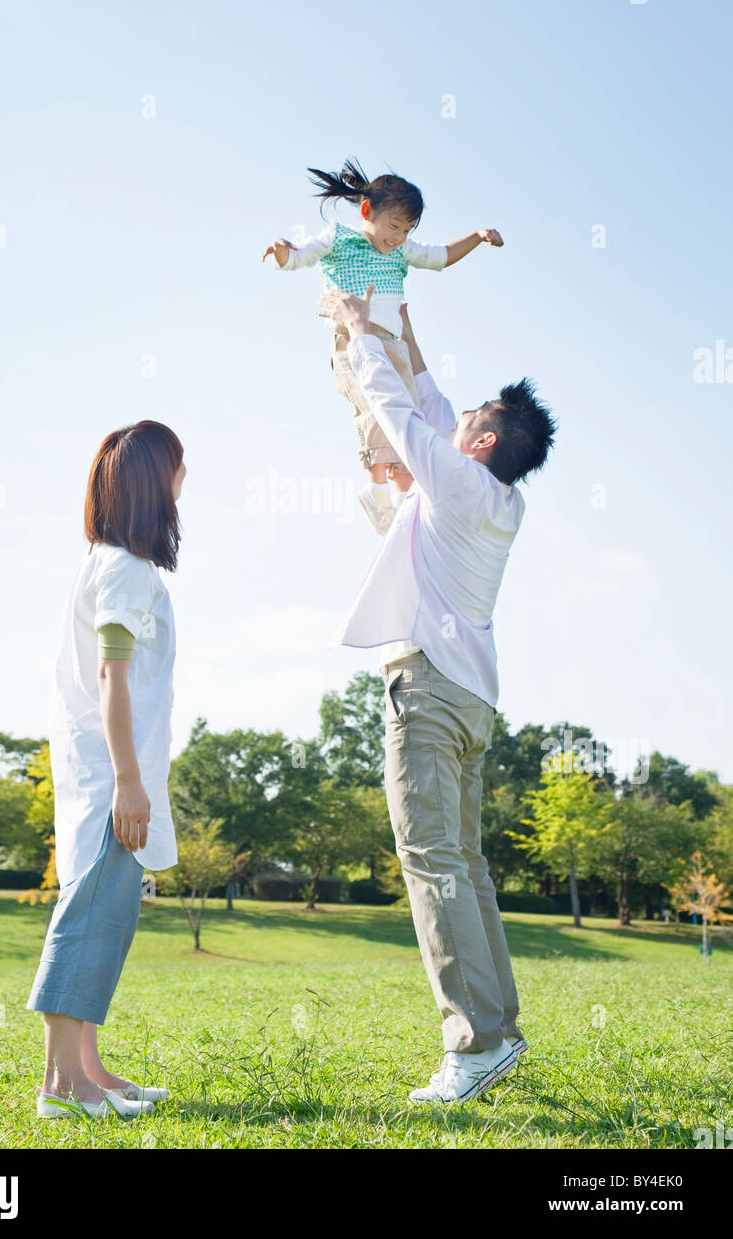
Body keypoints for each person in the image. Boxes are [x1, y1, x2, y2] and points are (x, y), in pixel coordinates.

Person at [327, 284, 557, 1105]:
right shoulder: (498, 497)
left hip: (427, 690)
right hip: (471, 698)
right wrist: (403, 326)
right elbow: (427, 400)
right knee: (466, 865)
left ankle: (474, 1042)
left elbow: (399, 410)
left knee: (431, 861)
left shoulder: (457, 483)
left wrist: (360, 334)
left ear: (481, 442)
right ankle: (501, 1030)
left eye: (469, 420)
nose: (454, 418)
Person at [25, 420, 186, 1120]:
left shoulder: (107, 563)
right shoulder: (124, 570)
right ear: (154, 483)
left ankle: (89, 1069)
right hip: (109, 778)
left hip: (103, 773)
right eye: (178, 467)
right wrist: (128, 781)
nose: (184, 479)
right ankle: (63, 1087)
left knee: (105, 922)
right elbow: (111, 678)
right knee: (88, 921)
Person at [262, 156, 502, 523]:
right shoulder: (338, 237)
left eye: (407, 230)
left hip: (394, 344)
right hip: (353, 340)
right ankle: (375, 490)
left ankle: (403, 500)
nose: (399, 237)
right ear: (367, 211)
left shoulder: (402, 250)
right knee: (374, 407)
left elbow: (441, 256)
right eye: (394, 226)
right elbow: (297, 258)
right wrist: (282, 252)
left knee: (408, 418)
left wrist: (478, 236)